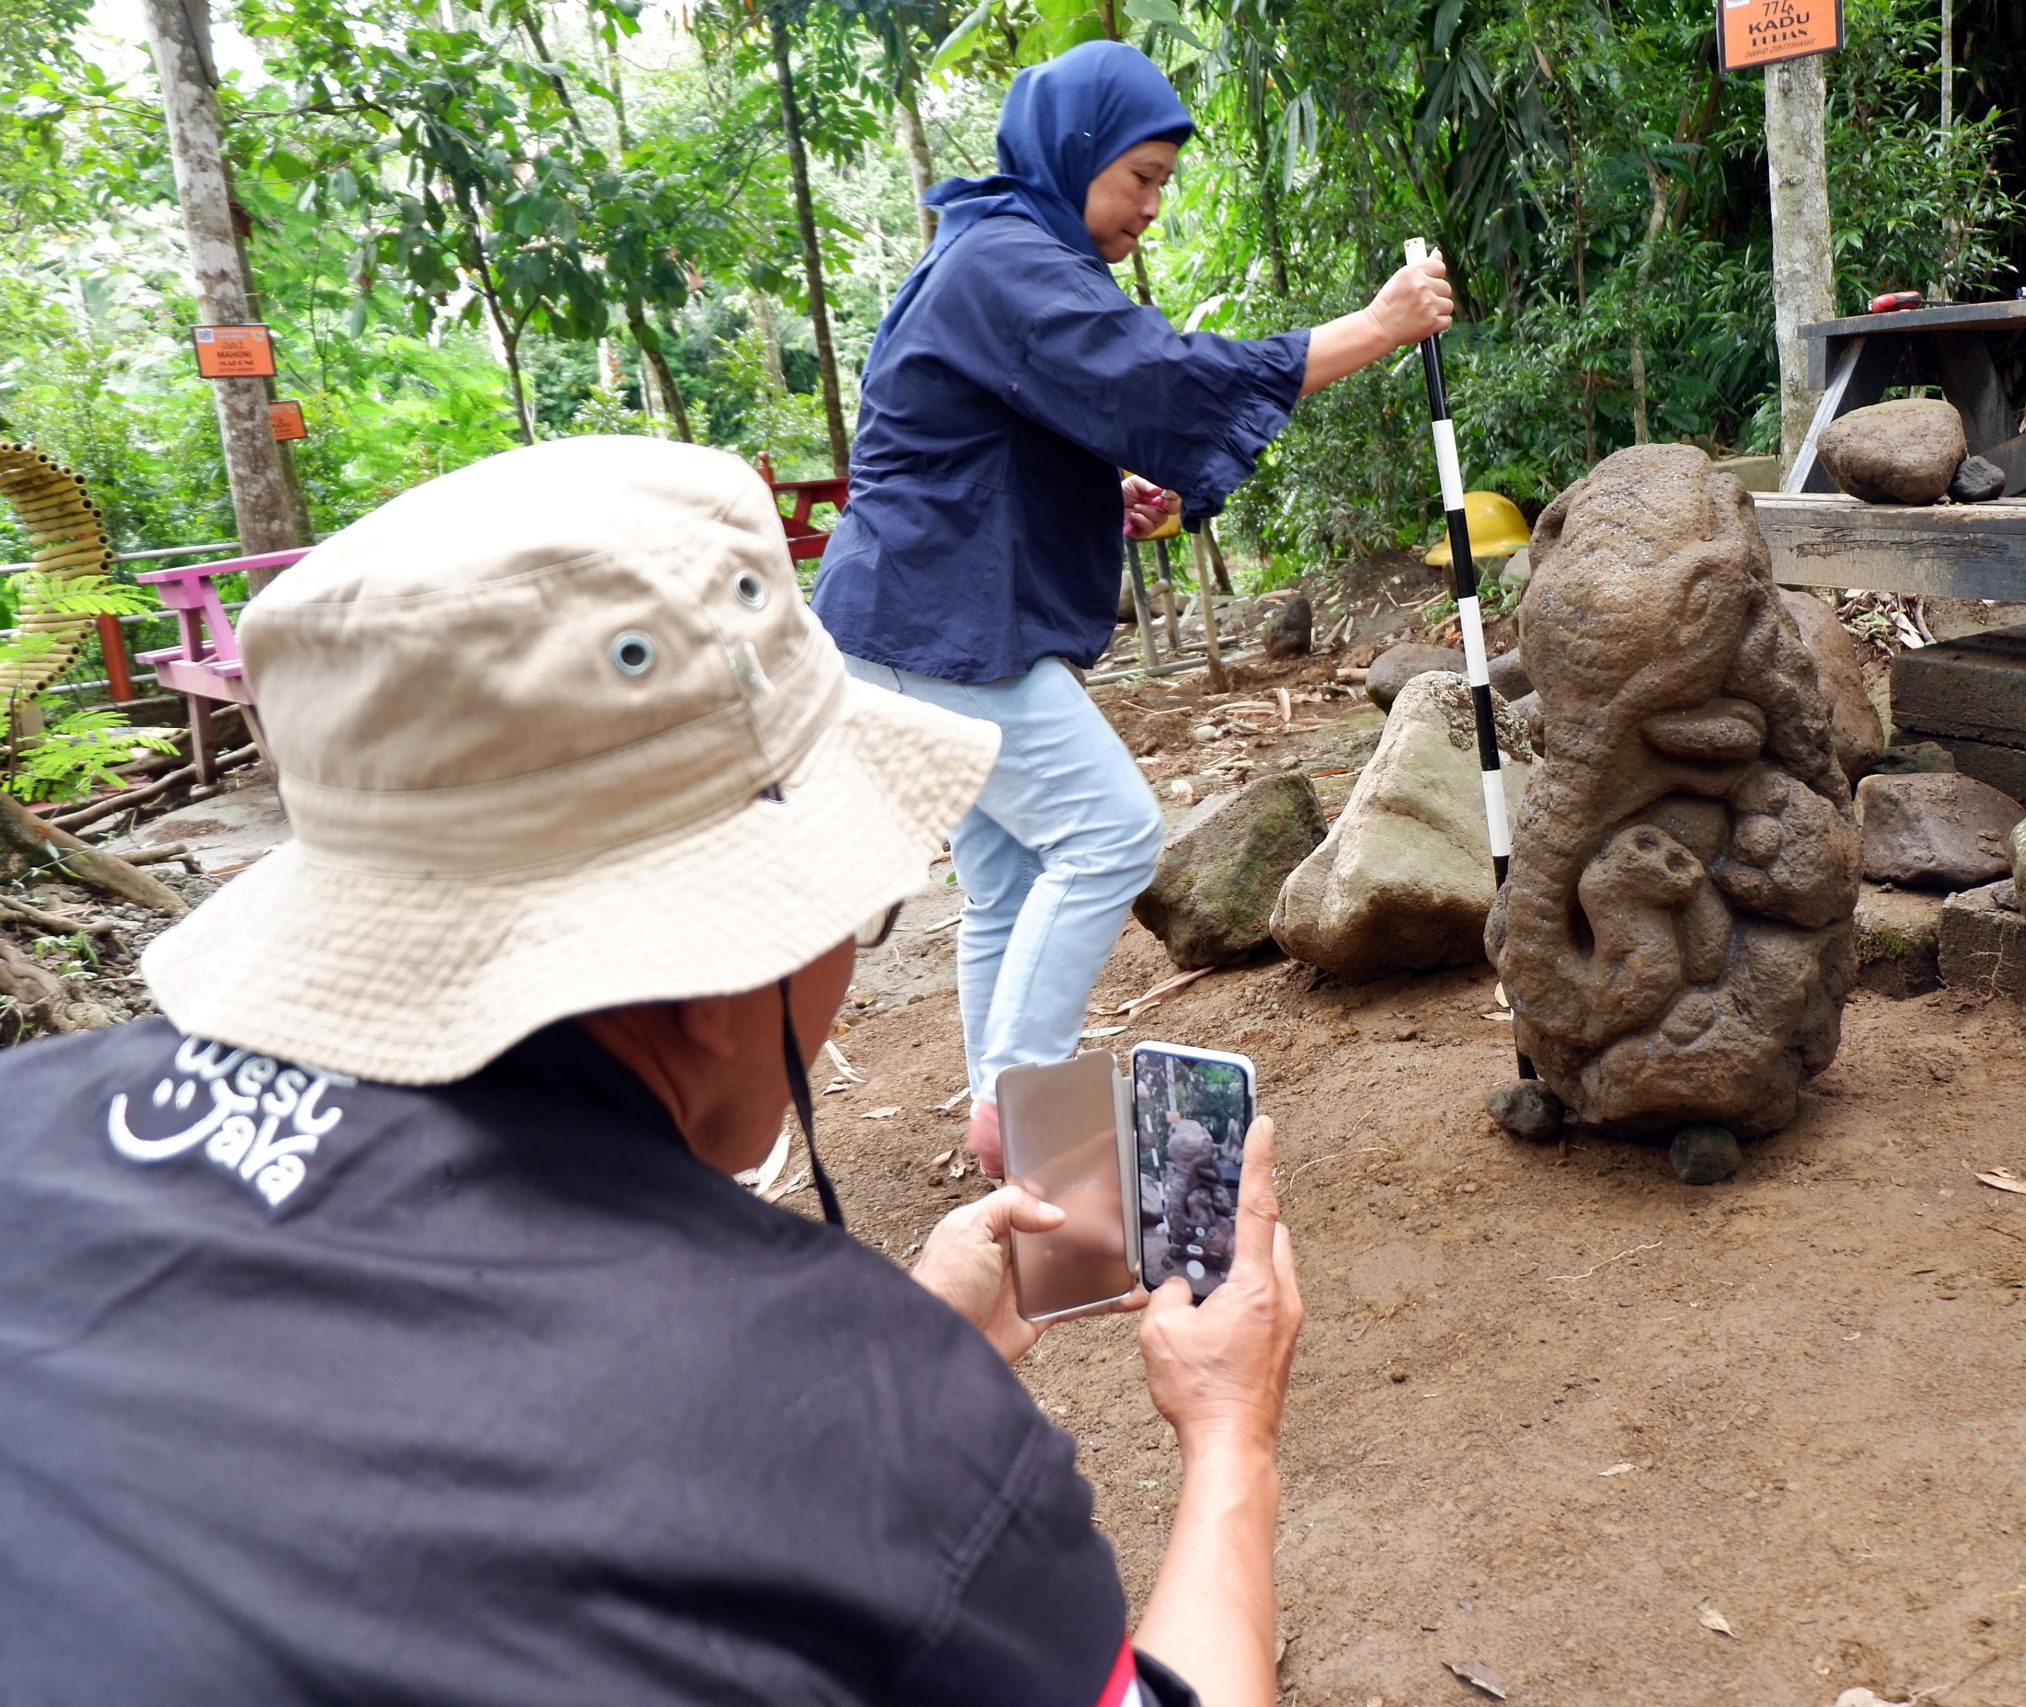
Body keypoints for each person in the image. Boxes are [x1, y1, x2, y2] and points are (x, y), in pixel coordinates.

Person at [0, 438, 1304, 1707]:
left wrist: (893, 1350)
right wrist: (1227, 1419)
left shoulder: (30, 1115)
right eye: (857, 911)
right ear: (713, 980)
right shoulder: (877, 1414)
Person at [813, 41, 1455, 1176]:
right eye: (1142, 178)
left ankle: (1001, 1110)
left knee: (1010, 878)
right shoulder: (1007, 261)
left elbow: (984, 437)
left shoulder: (999, 248)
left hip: (906, 619)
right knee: (1112, 836)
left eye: (1161, 185)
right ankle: (1022, 1113)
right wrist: (1375, 327)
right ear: (1073, 158)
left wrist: (1109, 492)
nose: (1151, 209)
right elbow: (1156, 378)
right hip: (933, 631)